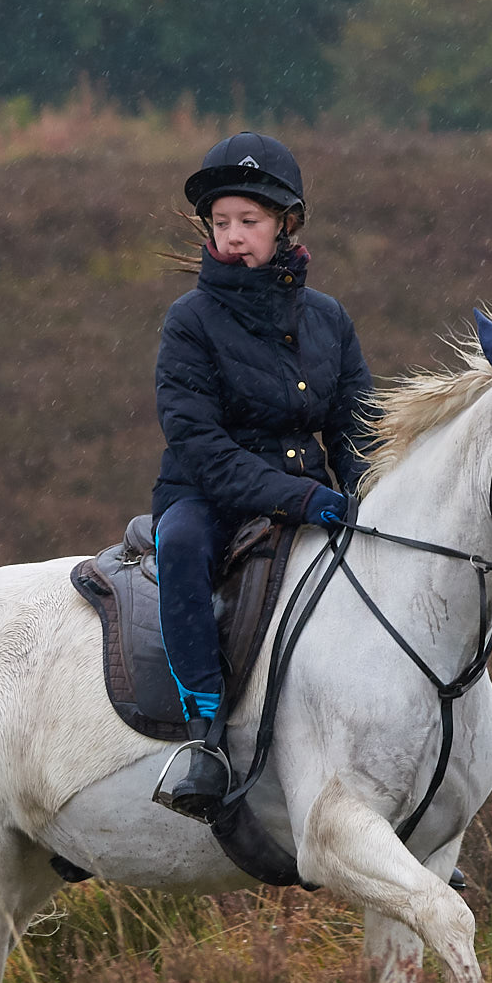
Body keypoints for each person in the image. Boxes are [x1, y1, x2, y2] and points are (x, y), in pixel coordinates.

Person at [149, 132, 375, 822]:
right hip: (208, 495)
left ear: (286, 223)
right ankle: (204, 734)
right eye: (222, 222)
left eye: (248, 221)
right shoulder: (188, 322)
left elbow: (356, 428)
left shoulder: (329, 318)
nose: (233, 236)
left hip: (315, 495)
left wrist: (364, 494)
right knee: (178, 546)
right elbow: (203, 448)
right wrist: (304, 497)